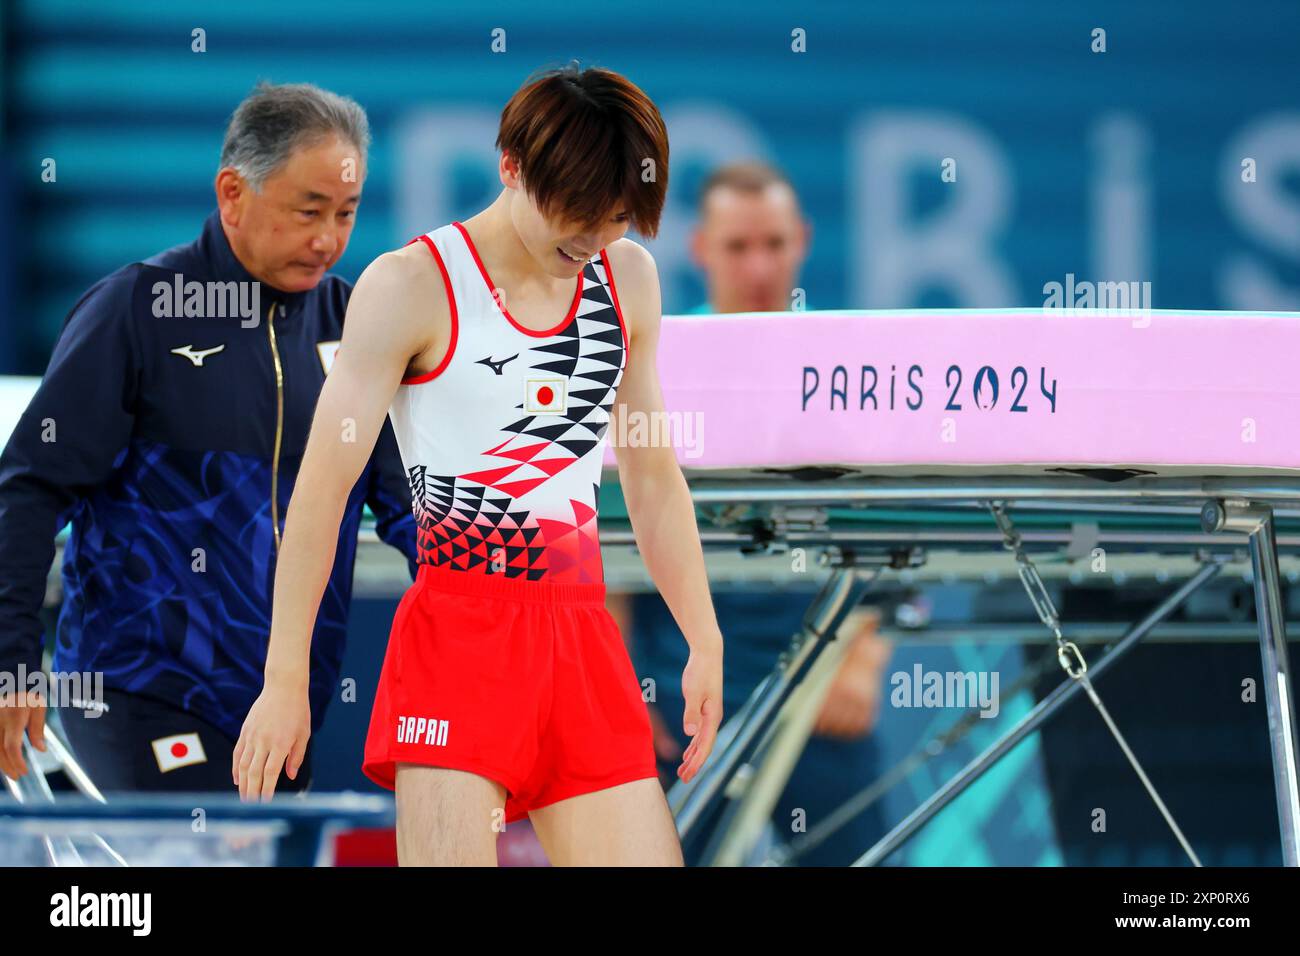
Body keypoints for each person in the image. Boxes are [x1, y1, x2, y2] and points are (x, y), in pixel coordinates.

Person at [234, 62, 724, 867]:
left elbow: (649, 472)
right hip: (459, 638)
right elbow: (321, 492)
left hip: (581, 638)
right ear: (512, 167)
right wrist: (283, 678)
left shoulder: (628, 277)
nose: (594, 241)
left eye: (615, 219)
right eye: (577, 218)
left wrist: (699, 633)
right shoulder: (411, 287)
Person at [0, 82, 418, 792]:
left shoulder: (359, 327)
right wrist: (11, 663)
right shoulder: (138, 309)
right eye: (307, 211)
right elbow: (30, 488)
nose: (329, 239)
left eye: (346, 213)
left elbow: (409, 508)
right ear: (232, 192)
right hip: (137, 694)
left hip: (283, 713)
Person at [613, 160, 892, 865]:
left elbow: (892, 529)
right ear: (701, 248)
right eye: (739, 247)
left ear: (802, 240)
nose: (760, 265)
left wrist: (862, 656)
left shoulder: (848, 373)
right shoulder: (654, 365)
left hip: (821, 689)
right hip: (681, 698)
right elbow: (612, 536)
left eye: (774, 244)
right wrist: (622, 691)